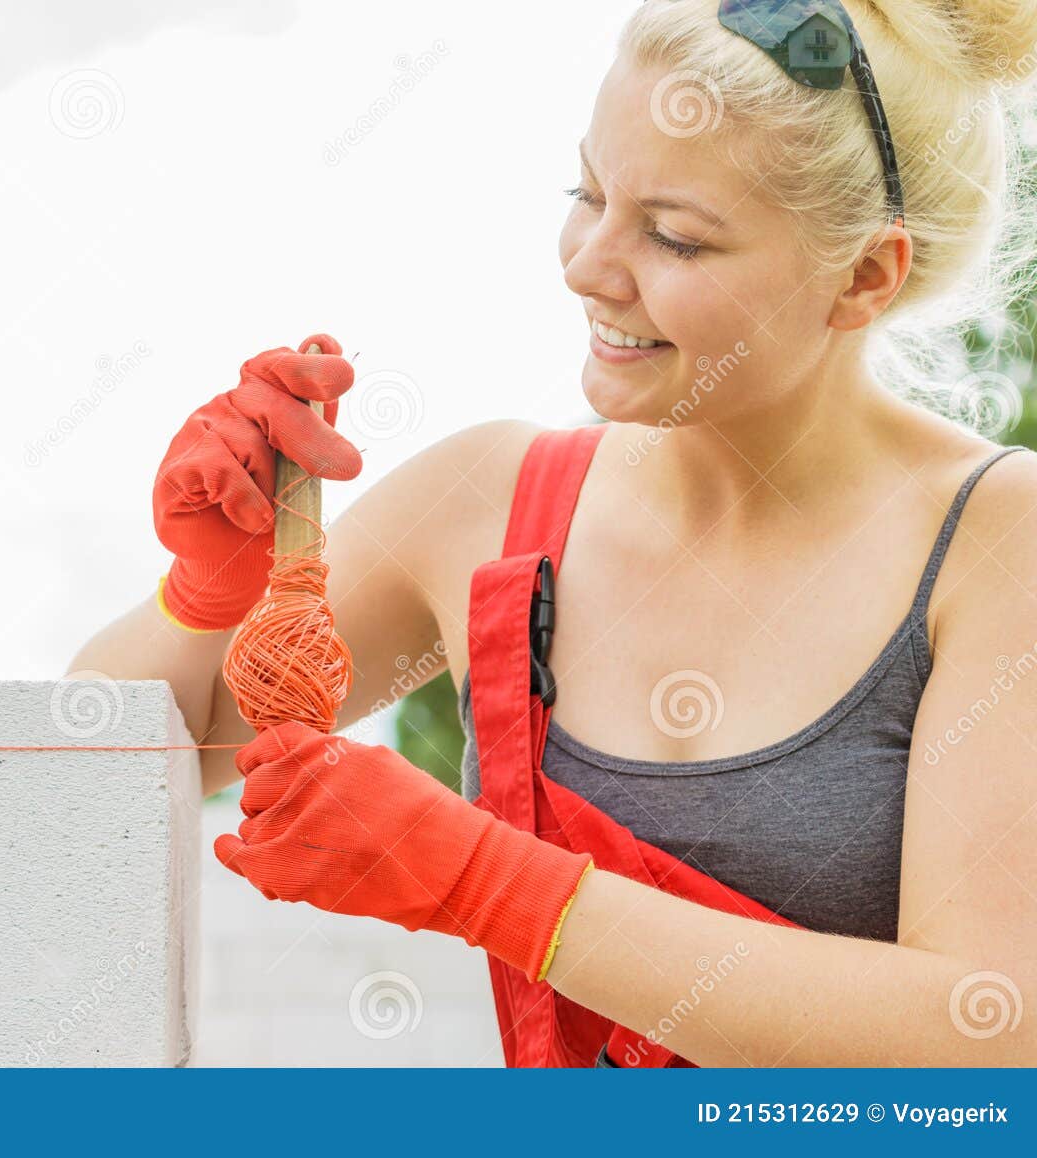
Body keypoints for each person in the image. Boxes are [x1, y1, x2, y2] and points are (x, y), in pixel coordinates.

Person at [69, 0, 1037, 1066]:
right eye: (587, 193)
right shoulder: (491, 500)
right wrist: (203, 593)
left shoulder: (997, 541)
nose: (587, 265)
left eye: (674, 236)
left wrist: (484, 881)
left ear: (863, 276)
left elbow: (985, 1030)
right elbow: (130, 752)